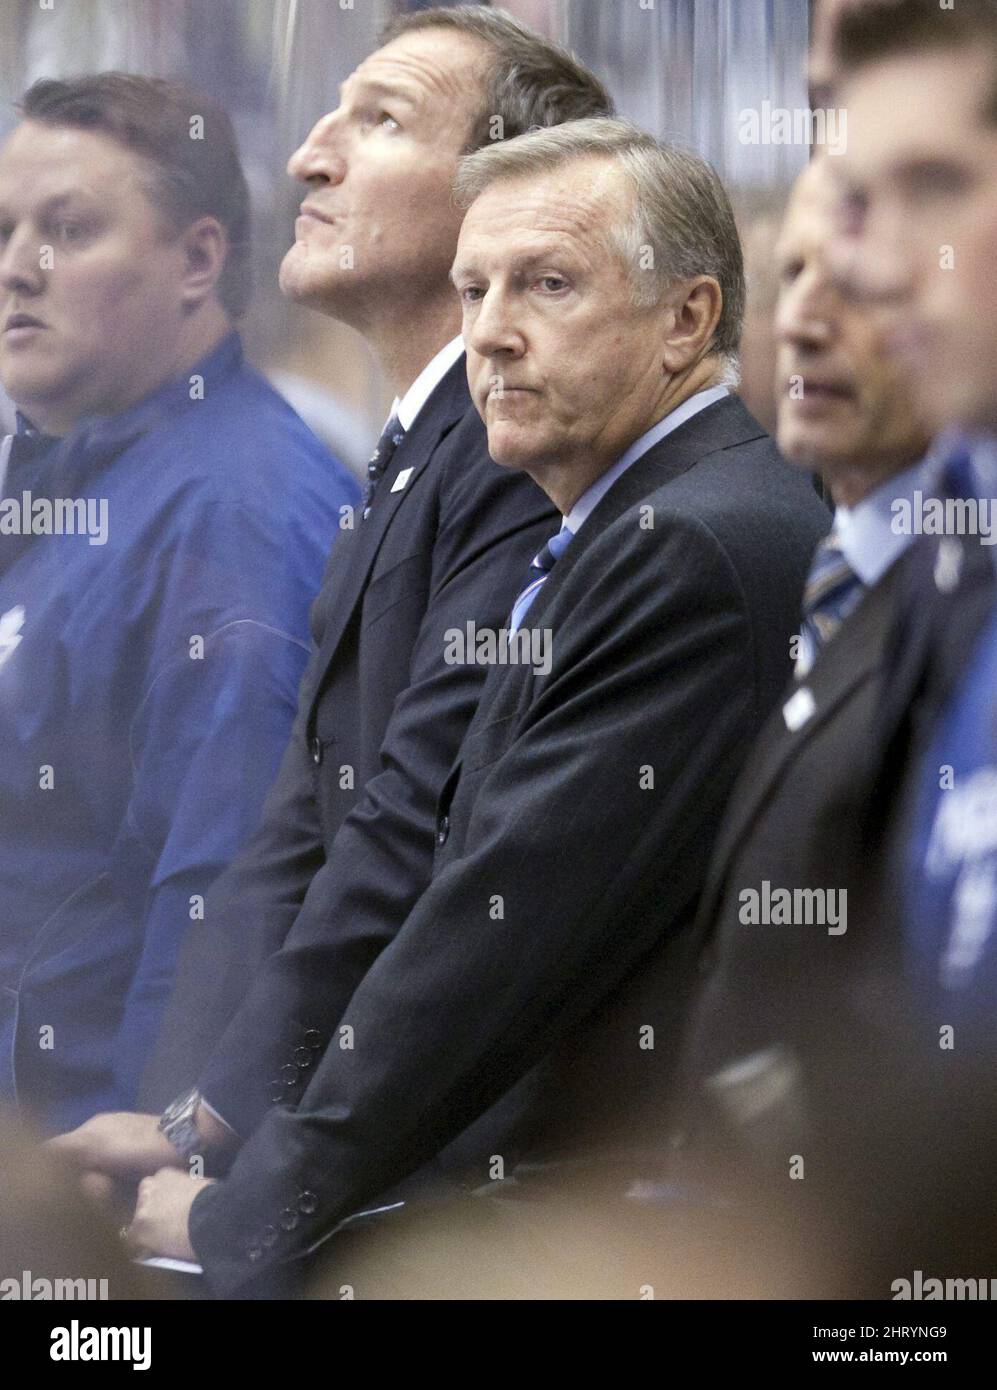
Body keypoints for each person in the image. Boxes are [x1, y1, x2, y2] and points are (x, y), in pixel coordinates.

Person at [103, 117, 828, 1299]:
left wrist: (246, 1209)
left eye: (547, 284)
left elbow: (489, 935)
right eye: (473, 287)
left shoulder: (685, 544)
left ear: (688, 322)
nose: (491, 331)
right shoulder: (641, 519)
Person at [55, 7, 608, 1159]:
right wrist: (169, 1117)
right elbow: (291, 837)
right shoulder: (419, 448)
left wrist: (209, 1132)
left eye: (381, 119)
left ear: (498, 198)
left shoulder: (517, 461)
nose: (310, 153)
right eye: (330, 114)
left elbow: (404, 835)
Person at [0, 73, 358, 1131]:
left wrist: (157, 1175)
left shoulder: (232, 516)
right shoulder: (83, 469)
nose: (18, 266)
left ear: (198, 260)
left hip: (89, 1184)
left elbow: (228, 897)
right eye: (6, 228)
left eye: (67, 228)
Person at [663, 154, 939, 1294]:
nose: (811, 323)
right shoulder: (829, 564)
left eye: (864, 288)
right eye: (792, 281)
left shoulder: (959, 605)